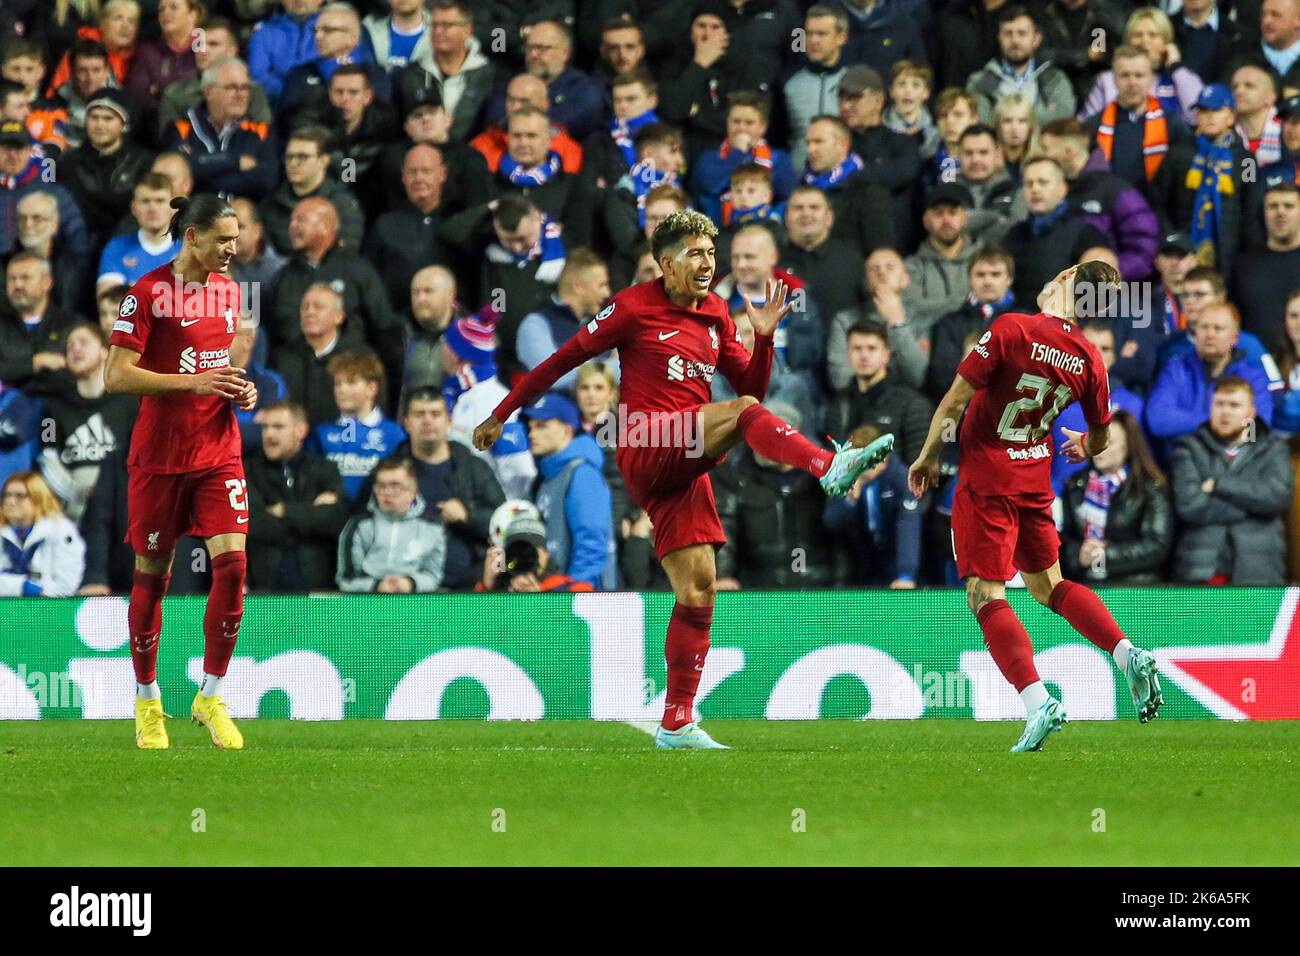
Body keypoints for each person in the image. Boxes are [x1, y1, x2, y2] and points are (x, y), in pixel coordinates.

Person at [473, 209, 895, 750]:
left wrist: (763, 339)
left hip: (687, 457)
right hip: (646, 440)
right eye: (695, 254)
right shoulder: (630, 307)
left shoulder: (717, 311)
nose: (706, 263)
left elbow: (754, 387)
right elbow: (561, 361)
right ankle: (826, 465)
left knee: (698, 591)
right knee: (739, 413)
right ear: (665, 265)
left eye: (710, 254)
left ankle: (675, 721)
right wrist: (502, 412)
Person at [909, 260, 1165, 752]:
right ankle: (1126, 651)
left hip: (987, 480)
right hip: (1034, 480)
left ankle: (1036, 702)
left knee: (986, 595)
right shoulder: (1091, 360)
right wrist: (1083, 447)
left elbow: (954, 402)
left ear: (1067, 278)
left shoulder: (1011, 329)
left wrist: (928, 457)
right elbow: (1101, 436)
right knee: (1049, 586)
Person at [103, 193, 257, 751]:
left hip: (218, 449)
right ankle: (147, 702)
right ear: (191, 236)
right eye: (223, 239)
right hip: (160, 456)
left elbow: (213, 368)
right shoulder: (146, 293)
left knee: (235, 566)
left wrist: (238, 386)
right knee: (152, 579)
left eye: (236, 239)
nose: (232, 249)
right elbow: (116, 376)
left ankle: (211, 695)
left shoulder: (229, 290)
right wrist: (190, 383)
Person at [1171, 376, 1293, 584]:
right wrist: (1253, 507)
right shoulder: (1189, 447)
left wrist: (1219, 484)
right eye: (1219, 404)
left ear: (1251, 413)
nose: (1225, 412)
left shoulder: (1273, 449)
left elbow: (1276, 498)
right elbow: (1190, 505)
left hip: (1259, 573)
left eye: (1234, 405)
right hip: (1200, 572)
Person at [244, 399, 350, 591]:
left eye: (278, 427)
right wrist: (310, 513)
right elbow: (254, 523)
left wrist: (282, 510)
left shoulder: (324, 470)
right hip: (264, 588)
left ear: (301, 430)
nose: (269, 434)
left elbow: (335, 520)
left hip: (318, 588)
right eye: (265, 427)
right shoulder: (247, 469)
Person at [37, 322, 137, 522]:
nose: (75, 348)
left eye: (83, 342)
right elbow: (47, 458)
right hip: (75, 511)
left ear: (104, 351)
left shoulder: (130, 403)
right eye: (70, 345)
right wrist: (77, 491)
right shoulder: (53, 408)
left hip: (124, 507)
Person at [1060, 409, 1172, 583]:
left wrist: (1103, 556)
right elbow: (1063, 541)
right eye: (1095, 441)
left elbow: (1157, 546)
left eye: (1108, 443)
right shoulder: (1075, 485)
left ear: (1128, 447)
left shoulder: (1150, 487)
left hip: (1135, 588)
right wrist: (1078, 557)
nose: (1099, 449)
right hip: (1085, 585)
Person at [520, 392, 616, 591]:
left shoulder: (582, 473)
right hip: (554, 593)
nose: (532, 434)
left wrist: (573, 593)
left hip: (578, 599)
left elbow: (591, 543)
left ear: (567, 429)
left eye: (542, 425)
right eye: (531, 426)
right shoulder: (547, 476)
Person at [337, 455, 446, 592]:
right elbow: (346, 580)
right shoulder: (359, 525)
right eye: (381, 486)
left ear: (412, 491)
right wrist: (376, 586)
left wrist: (410, 584)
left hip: (415, 602)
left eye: (395, 486)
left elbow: (433, 576)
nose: (387, 493)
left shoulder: (432, 526)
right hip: (368, 602)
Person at [310, 348, 406, 500]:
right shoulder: (321, 434)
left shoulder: (393, 434)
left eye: (351, 382)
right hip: (330, 518)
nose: (342, 390)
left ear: (372, 388)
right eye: (338, 383)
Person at [966, 6, 1077, 125]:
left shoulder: (1055, 79)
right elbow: (981, 122)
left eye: (1022, 33)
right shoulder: (979, 81)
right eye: (1008, 34)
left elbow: (1063, 119)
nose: (1015, 40)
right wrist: (1042, 115)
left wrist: (1003, 117)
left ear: (1036, 39)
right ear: (999, 38)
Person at [0, 470, 85, 597]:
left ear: (38, 497)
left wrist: (38, 591)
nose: (10, 501)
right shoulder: (3, 531)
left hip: (50, 610)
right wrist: (22, 586)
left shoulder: (61, 530)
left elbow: (67, 585)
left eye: (19, 496)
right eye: (7, 495)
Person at [476, 513, 594, 593]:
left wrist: (540, 602)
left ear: (545, 553)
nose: (523, 558)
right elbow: (472, 627)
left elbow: (580, 629)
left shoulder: (574, 590)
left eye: (529, 551)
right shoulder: (499, 589)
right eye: (517, 552)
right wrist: (487, 585)